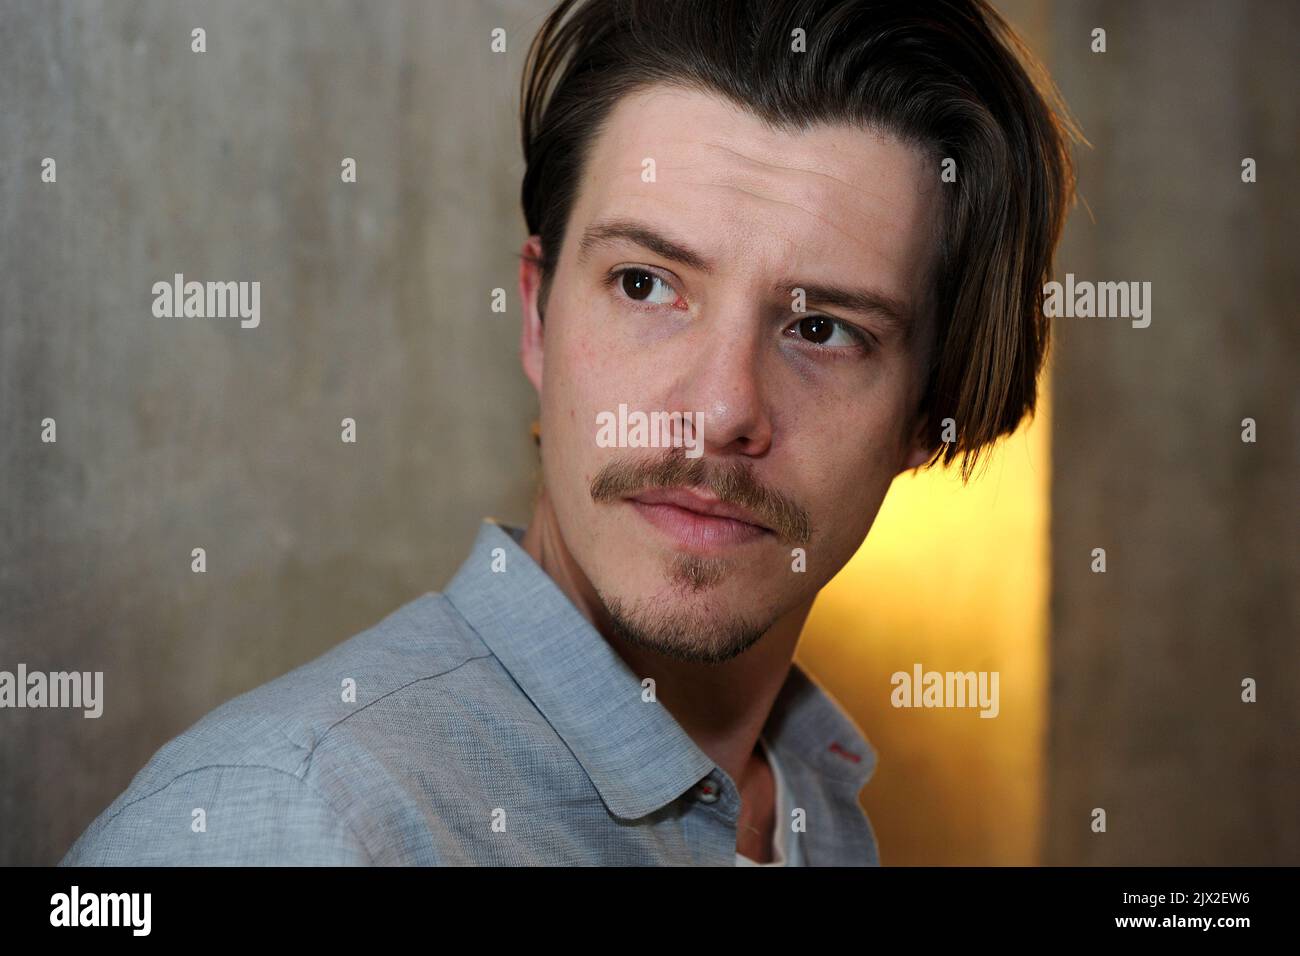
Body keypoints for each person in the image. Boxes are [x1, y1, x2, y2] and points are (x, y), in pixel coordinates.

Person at [61, 0, 1075, 867]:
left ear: (926, 411)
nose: (719, 408)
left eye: (821, 328)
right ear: (538, 316)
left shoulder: (810, 801)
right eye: (645, 284)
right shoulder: (301, 822)